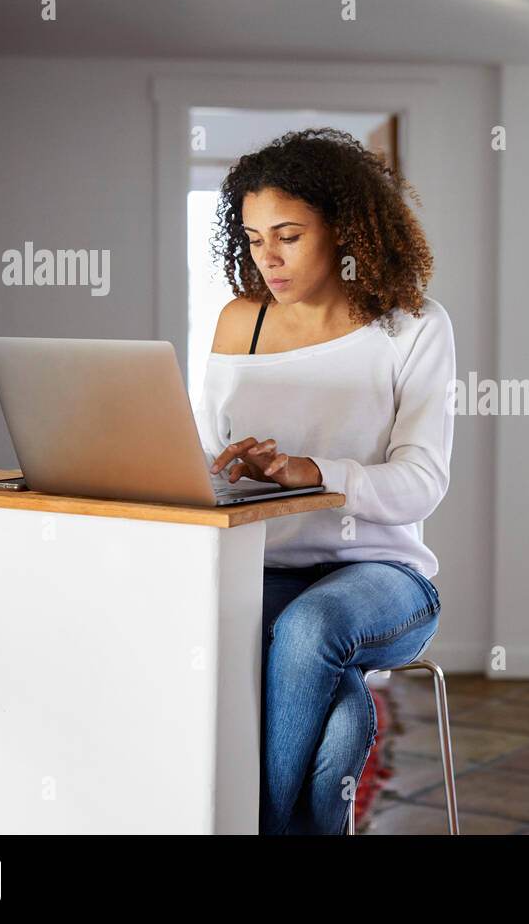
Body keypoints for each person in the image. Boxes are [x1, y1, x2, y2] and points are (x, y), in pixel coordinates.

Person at [194, 128, 455, 834]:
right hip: (264, 566)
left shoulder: (413, 327)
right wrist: (234, 467)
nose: (266, 258)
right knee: (340, 723)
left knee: (312, 628)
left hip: (383, 576)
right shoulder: (238, 324)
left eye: (287, 235)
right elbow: (207, 458)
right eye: (252, 238)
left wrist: (318, 475)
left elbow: (423, 480)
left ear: (342, 226)